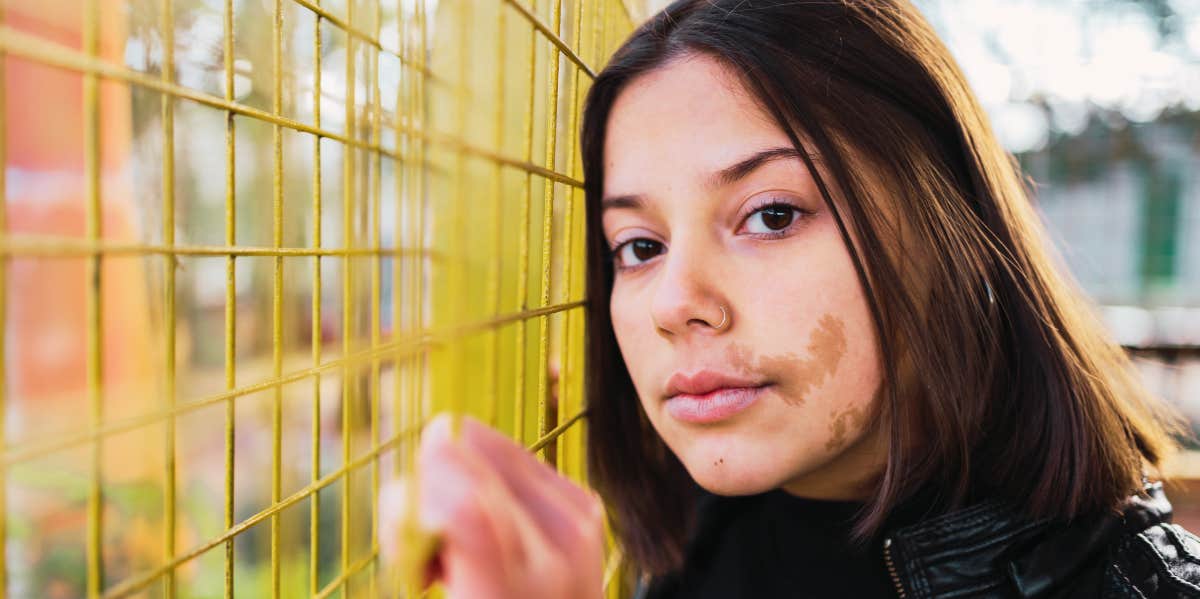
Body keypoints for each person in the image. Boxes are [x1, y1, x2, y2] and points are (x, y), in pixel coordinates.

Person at [379, 0, 1200, 597]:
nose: (675, 303)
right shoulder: (679, 536)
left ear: (945, 224)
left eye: (771, 215)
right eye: (639, 247)